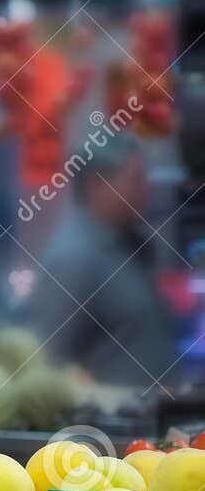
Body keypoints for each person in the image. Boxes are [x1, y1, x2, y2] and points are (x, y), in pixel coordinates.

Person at [24, 136, 176, 389]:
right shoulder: (73, 257)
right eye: (135, 179)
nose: (146, 189)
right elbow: (49, 360)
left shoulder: (132, 245)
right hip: (111, 413)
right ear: (96, 185)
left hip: (154, 409)